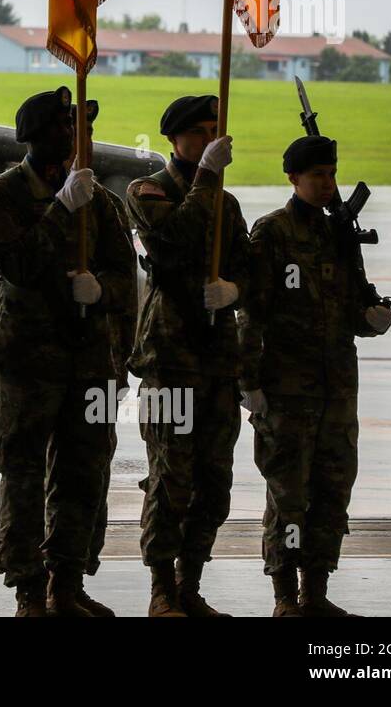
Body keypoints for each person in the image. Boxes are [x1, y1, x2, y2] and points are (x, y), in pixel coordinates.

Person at [0, 88, 136, 616]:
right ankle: (28, 589)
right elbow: (18, 263)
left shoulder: (102, 204)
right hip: (27, 363)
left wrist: (103, 292)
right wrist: (63, 209)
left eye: (81, 126)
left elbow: (124, 280)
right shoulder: (0, 194)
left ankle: (67, 584)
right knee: (23, 477)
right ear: (40, 134)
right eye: (69, 126)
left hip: (90, 362)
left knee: (84, 473)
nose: (78, 136)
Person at [238, 134, 391, 617]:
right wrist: (249, 382)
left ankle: (316, 593)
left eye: (331, 174)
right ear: (293, 179)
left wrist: (371, 320)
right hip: (287, 390)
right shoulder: (272, 233)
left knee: (332, 491)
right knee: (289, 496)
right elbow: (252, 312)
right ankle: (285, 596)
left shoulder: (339, 236)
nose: (327, 184)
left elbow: (350, 309)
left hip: (337, 389)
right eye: (316, 176)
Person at [124, 94, 249, 617]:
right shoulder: (148, 189)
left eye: (213, 131)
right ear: (175, 138)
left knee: (214, 481)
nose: (207, 140)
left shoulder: (227, 202)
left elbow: (250, 267)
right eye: (198, 132)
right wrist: (207, 180)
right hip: (168, 357)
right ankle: (160, 588)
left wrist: (234, 291)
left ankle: (189, 582)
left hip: (218, 357)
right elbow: (172, 240)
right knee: (170, 478)